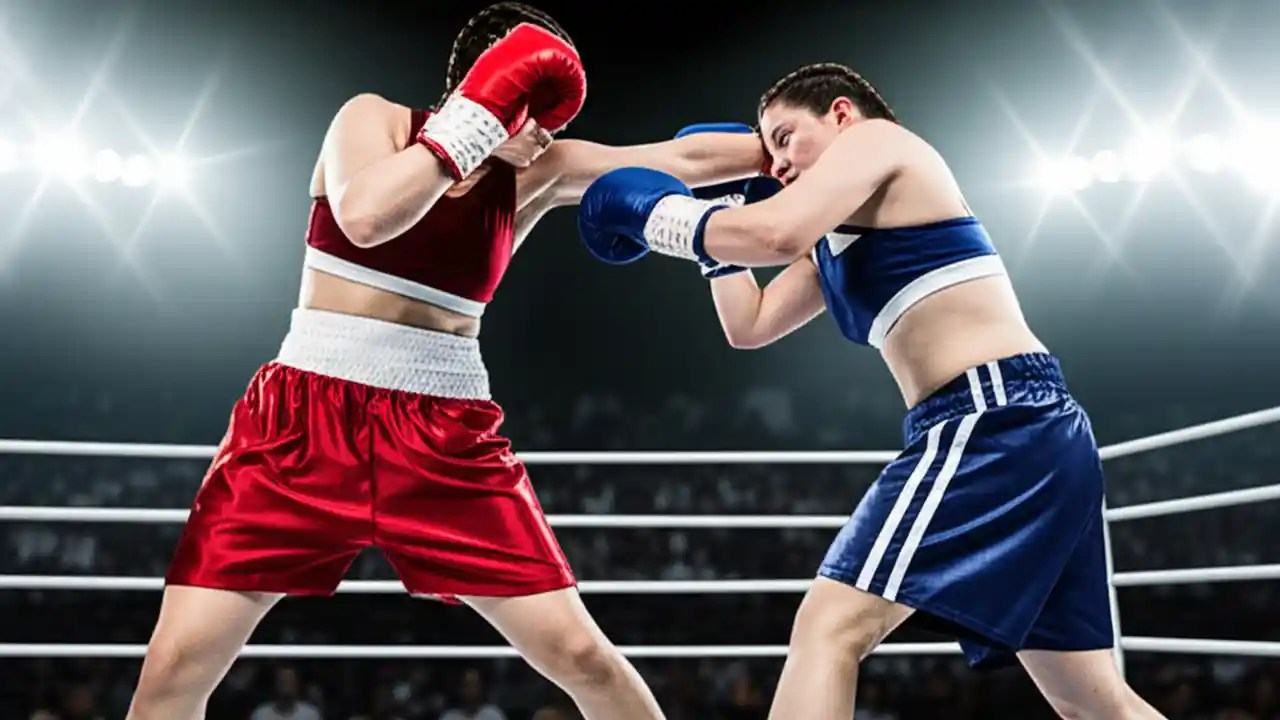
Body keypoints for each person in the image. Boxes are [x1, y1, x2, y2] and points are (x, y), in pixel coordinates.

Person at [124, 4, 766, 719]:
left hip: (443, 435)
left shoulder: (539, 169)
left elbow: (682, 160)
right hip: (302, 424)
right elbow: (367, 219)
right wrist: (472, 128)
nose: (547, 130)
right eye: (533, 104)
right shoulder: (371, 121)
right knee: (175, 669)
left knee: (583, 658)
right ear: (490, 83)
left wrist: (806, 151)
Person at [576, 62, 1165, 719]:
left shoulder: (881, 141)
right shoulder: (833, 239)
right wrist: (713, 225)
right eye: (766, 151)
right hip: (1018, 427)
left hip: (994, 417)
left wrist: (659, 215)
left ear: (840, 113)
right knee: (1092, 701)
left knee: (829, 629)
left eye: (785, 137)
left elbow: (774, 234)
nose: (776, 163)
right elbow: (750, 324)